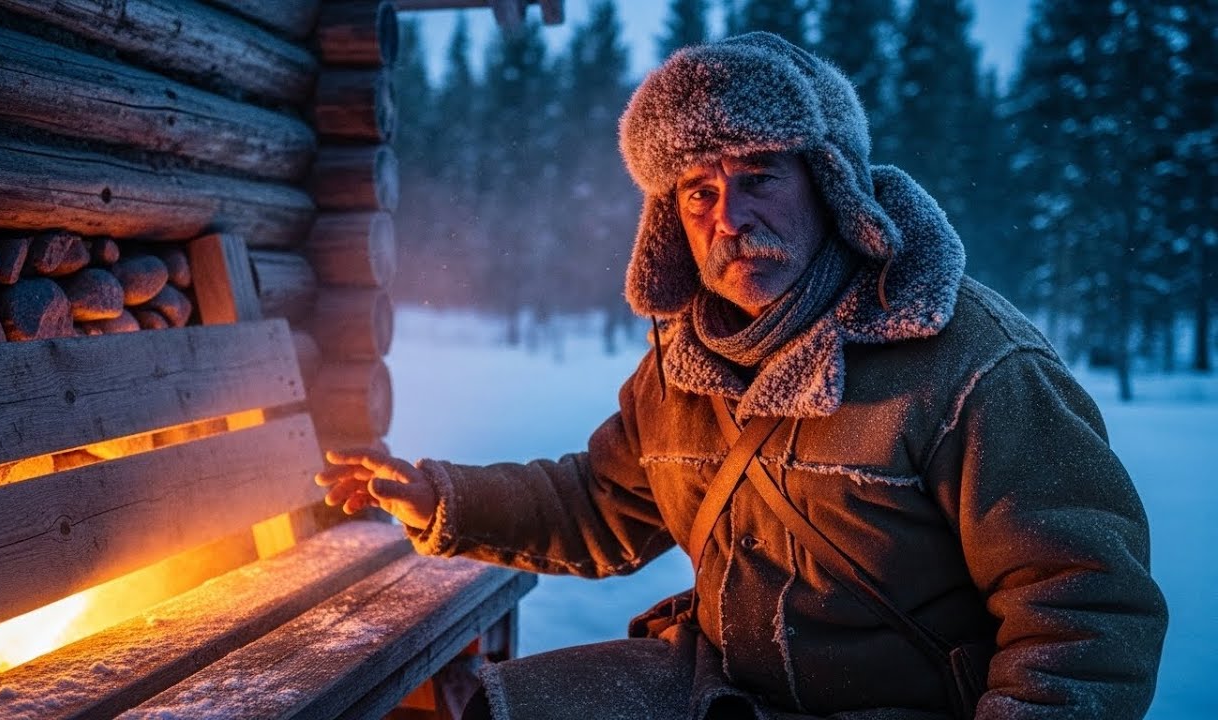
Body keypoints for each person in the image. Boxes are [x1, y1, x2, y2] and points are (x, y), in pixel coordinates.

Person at [316, 33, 1167, 720]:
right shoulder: (680, 367)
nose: (730, 216)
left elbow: (1083, 606)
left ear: (832, 187)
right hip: (724, 688)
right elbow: (600, 504)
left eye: (759, 177)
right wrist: (440, 498)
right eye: (699, 192)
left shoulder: (973, 362)